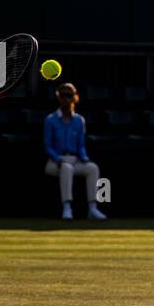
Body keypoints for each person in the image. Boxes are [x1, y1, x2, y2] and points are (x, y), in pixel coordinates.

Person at [44, 82, 106, 220]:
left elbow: (81, 145)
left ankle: (93, 208)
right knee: (66, 168)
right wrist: (57, 159)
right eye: (63, 95)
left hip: (75, 160)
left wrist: (84, 157)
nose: (66, 98)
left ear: (74, 98)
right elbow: (47, 146)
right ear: (58, 97)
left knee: (93, 168)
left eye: (69, 95)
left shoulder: (79, 120)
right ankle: (67, 208)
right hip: (55, 162)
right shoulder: (50, 120)